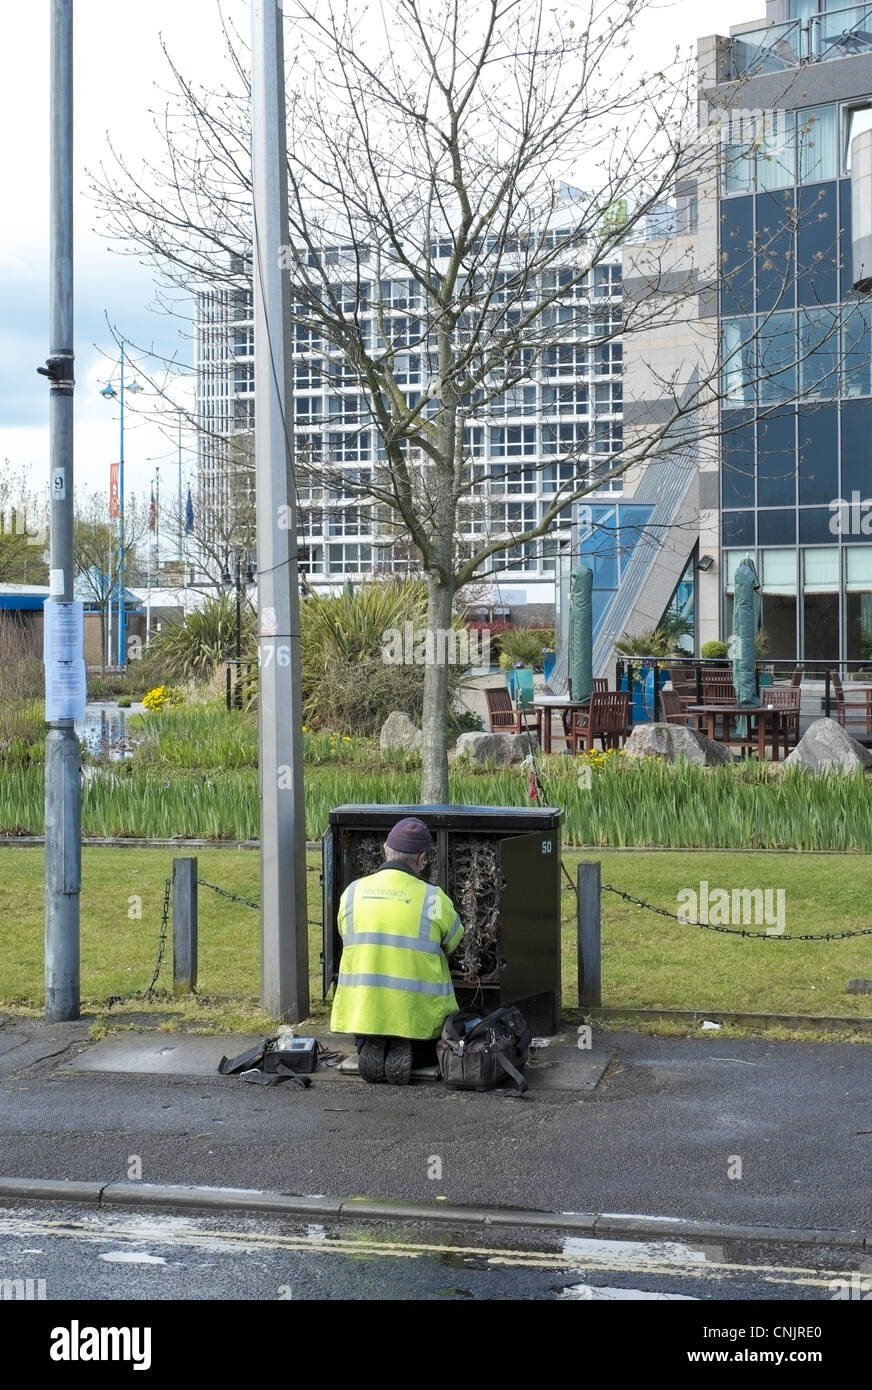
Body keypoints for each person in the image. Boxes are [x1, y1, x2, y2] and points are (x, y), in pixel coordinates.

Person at [330, 816, 464, 1085]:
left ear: (385, 850)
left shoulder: (352, 893)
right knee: (428, 1049)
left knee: (369, 1033)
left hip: (364, 1015)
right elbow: (453, 943)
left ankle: (373, 1042)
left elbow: (346, 935)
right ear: (422, 859)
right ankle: (409, 1049)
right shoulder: (433, 898)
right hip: (419, 1023)